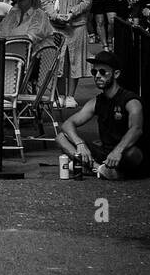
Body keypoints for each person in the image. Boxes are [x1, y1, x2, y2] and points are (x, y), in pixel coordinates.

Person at [57, 51, 145, 180]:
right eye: (94, 72)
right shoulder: (97, 101)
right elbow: (68, 124)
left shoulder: (130, 101)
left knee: (134, 154)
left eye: (103, 72)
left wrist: (118, 151)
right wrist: (80, 143)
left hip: (123, 152)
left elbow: (136, 129)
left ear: (116, 74)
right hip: (104, 153)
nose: (98, 76)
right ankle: (99, 169)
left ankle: (100, 170)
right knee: (61, 138)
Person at [42, 0, 90, 109]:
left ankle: (70, 96)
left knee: (75, 62)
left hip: (77, 26)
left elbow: (87, 1)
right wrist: (55, 16)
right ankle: (60, 94)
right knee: (59, 61)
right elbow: (46, 1)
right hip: (57, 27)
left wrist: (72, 12)